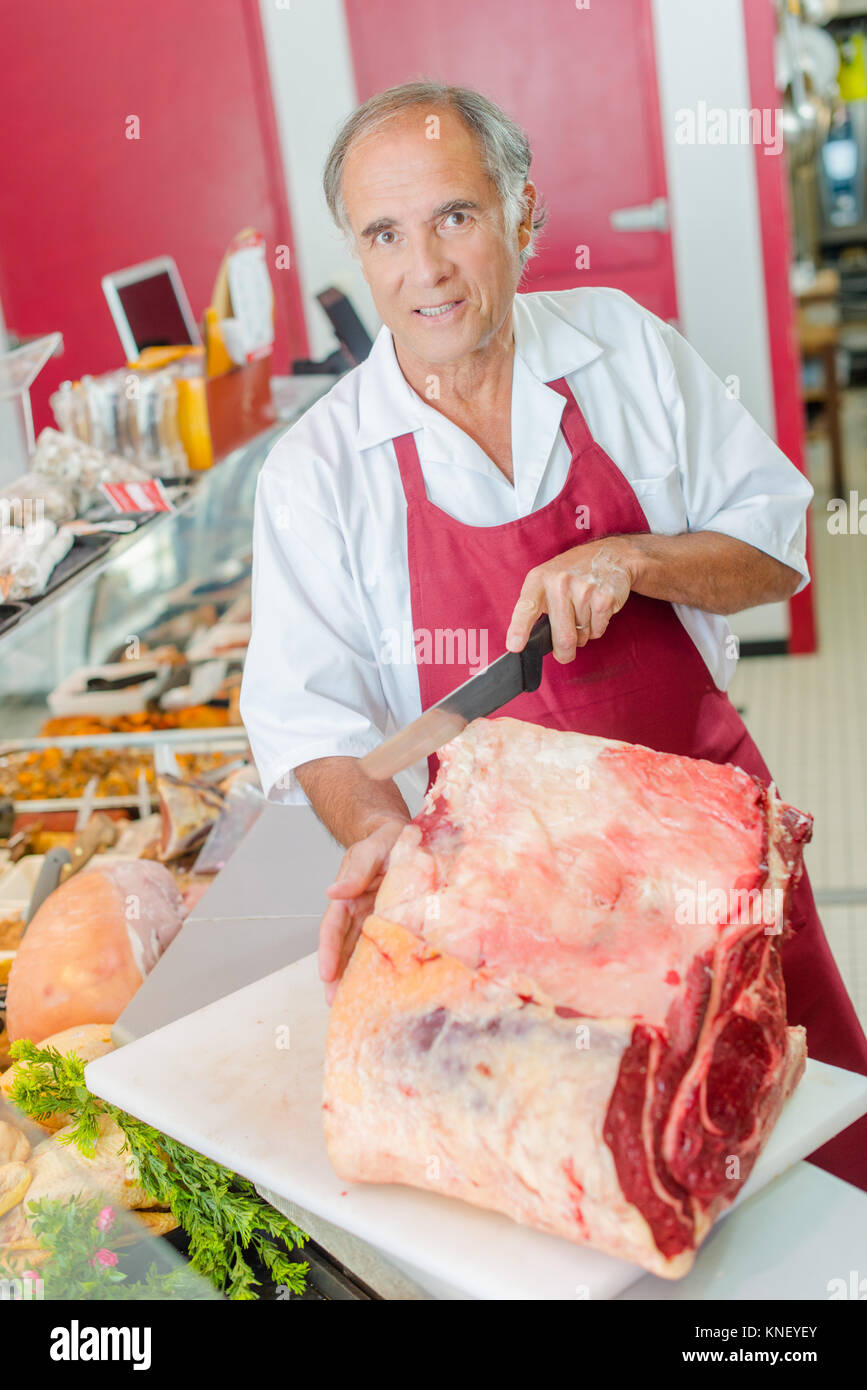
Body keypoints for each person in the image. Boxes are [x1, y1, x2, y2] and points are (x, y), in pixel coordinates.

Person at [240, 81, 867, 1189]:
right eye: (384, 233)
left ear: (524, 215)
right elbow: (310, 719)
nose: (423, 268)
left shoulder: (624, 350)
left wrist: (636, 558)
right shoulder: (315, 474)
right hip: (517, 912)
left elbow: (777, 547)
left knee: (824, 1150)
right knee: (618, 1187)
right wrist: (377, 827)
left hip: (716, 863)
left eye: (456, 217)